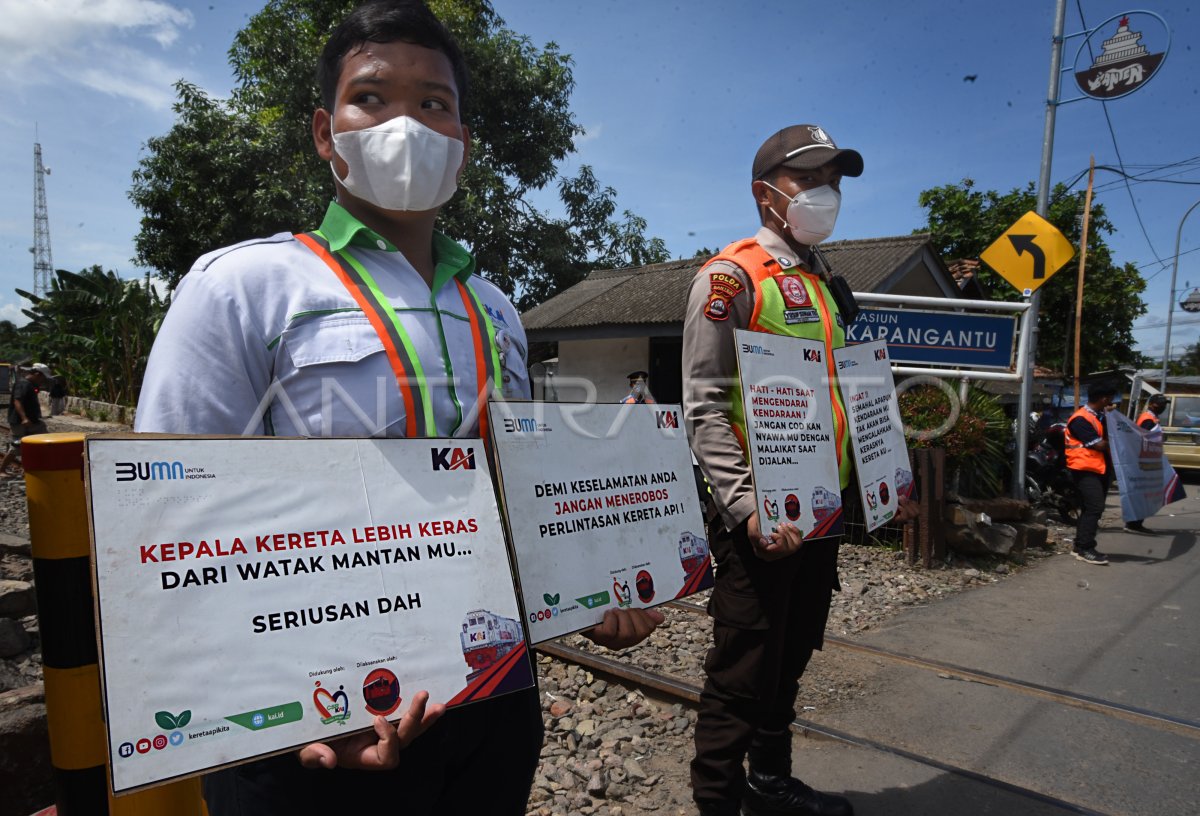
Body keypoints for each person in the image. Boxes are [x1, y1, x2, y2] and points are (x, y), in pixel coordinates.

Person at [135, 3, 660, 813]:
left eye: (435, 104)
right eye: (372, 97)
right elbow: (172, 516)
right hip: (321, 732)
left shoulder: (495, 308)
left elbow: (516, 485)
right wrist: (283, 708)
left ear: (463, 144)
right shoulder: (243, 287)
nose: (406, 122)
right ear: (325, 131)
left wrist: (591, 586)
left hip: (490, 697)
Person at [682, 125, 916, 816]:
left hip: (823, 507)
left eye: (835, 181)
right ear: (766, 193)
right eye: (810, 180)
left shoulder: (826, 282)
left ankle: (769, 780)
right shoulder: (731, 278)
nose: (827, 194)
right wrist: (746, 507)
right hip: (763, 514)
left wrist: (886, 481)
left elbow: (853, 393)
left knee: (796, 647)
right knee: (745, 663)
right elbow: (703, 405)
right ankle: (718, 800)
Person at [1064, 380, 1119, 564]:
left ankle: (1081, 545)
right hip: (1084, 469)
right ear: (1103, 399)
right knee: (1095, 507)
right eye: (1110, 399)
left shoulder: (1099, 416)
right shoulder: (1080, 419)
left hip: (1098, 468)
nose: (1111, 403)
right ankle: (1085, 548)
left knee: (1090, 508)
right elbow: (1098, 444)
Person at [1124, 394, 1169, 535]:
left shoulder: (1152, 418)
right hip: (1144, 461)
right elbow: (1143, 437)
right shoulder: (1147, 419)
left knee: (1145, 493)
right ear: (1152, 404)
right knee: (1143, 493)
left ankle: (1136, 522)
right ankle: (1134, 523)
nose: (1163, 407)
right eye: (1160, 404)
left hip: (1148, 460)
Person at [1, 363, 52, 477]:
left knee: (36, 443)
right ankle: (2, 470)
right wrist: (24, 418)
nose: (43, 381)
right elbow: (17, 401)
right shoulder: (23, 384)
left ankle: (29, 468)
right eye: (43, 378)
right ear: (37, 374)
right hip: (21, 421)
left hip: (32, 421)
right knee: (18, 446)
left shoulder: (29, 384)